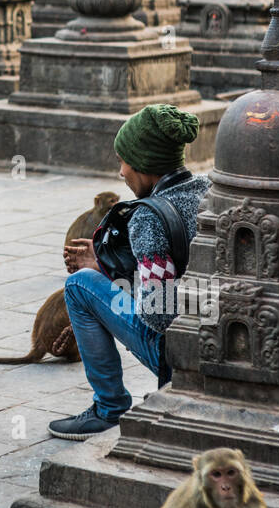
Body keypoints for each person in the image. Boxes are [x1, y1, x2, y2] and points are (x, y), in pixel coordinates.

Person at [48, 104, 210, 440]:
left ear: (144, 166)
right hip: (217, 330)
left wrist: (107, 276)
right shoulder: (210, 188)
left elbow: (159, 315)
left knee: (79, 285)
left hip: (178, 353)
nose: (121, 172)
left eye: (124, 161)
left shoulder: (148, 218)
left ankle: (108, 408)